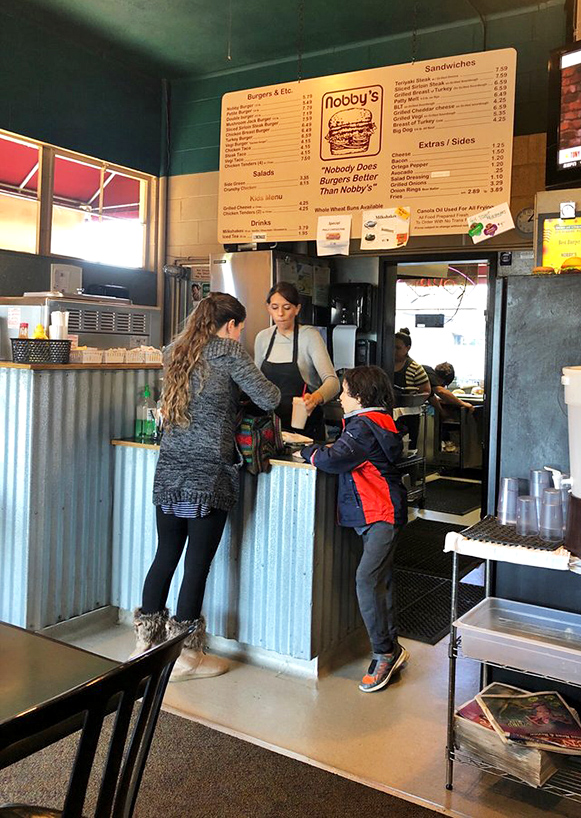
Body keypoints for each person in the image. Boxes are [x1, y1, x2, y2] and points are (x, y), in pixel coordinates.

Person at [131, 292, 281, 681]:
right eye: (239, 329)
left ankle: (144, 645)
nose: (239, 335)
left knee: (166, 554)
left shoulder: (174, 351)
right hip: (208, 472)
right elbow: (271, 397)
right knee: (196, 563)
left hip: (170, 469)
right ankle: (187, 656)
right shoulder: (229, 354)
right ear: (230, 325)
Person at [300, 366, 409, 693]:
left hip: (381, 513)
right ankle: (392, 646)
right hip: (382, 512)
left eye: (345, 392)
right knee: (381, 580)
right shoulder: (376, 422)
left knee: (367, 579)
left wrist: (307, 451)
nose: (341, 399)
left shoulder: (362, 427)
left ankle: (383, 653)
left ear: (360, 396)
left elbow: (334, 459)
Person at [254, 282, 339, 442]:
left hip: (305, 429)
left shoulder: (309, 336)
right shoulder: (263, 338)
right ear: (268, 308)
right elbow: (257, 383)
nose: (280, 313)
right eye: (274, 307)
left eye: (287, 308)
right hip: (270, 429)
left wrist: (314, 399)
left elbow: (333, 383)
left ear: (297, 309)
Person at [393, 327, 431, 450]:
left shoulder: (415, 368)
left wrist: (412, 395)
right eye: (392, 347)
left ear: (407, 348)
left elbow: (427, 392)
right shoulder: (384, 364)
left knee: (408, 450)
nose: (394, 351)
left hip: (409, 417)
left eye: (398, 348)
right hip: (389, 415)